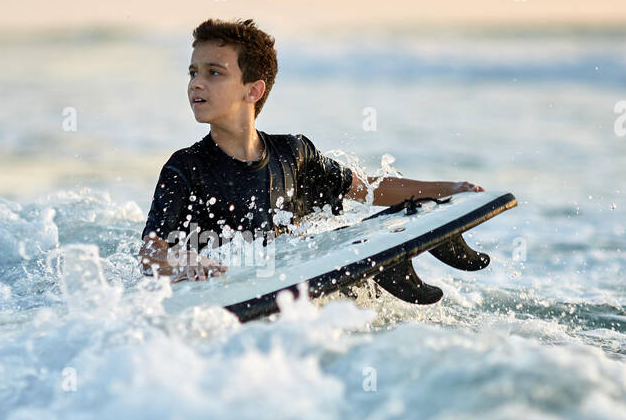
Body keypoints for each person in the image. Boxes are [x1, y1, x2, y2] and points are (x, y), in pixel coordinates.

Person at [139, 18, 484, 281]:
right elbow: (150, 253)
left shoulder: (294, 155)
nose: (196, 83)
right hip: (215, 305)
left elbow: (367, 189)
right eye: (193, 72)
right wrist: (188, 262)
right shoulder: (185, 168)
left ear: (253, 91)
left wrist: (447, 190)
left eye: (214, 73)